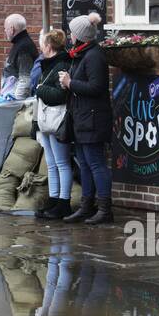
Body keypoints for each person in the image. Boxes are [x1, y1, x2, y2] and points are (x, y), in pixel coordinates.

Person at [58, 14, 114, 224]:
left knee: (96, 163)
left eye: (72, 32)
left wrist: (71, 83)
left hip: (93, 119)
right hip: (81, 118)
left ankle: (105, 209)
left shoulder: (94, 56)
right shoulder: (80, 55)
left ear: (81, 36)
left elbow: (96, 87)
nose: (70, 36)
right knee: (84, 163)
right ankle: (86, 206)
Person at [32, 27, 73, 220]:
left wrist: (40, 90)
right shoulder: (48, 65)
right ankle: (54, 198)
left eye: (42, 44)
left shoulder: (61, 65)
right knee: (51, 163)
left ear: (49, 46)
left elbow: (59, 95)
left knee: (62, 163)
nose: (40, 48)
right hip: (46, 120)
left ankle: (64, 202)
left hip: (57, 120)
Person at [1, 13, 39, 100]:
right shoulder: (21, 44)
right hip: (11, 98)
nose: (5, 31)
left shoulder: (23, 46)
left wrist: (16, 104)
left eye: (5, 28)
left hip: (15, 102)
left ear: (12, 29)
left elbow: (25, 79)